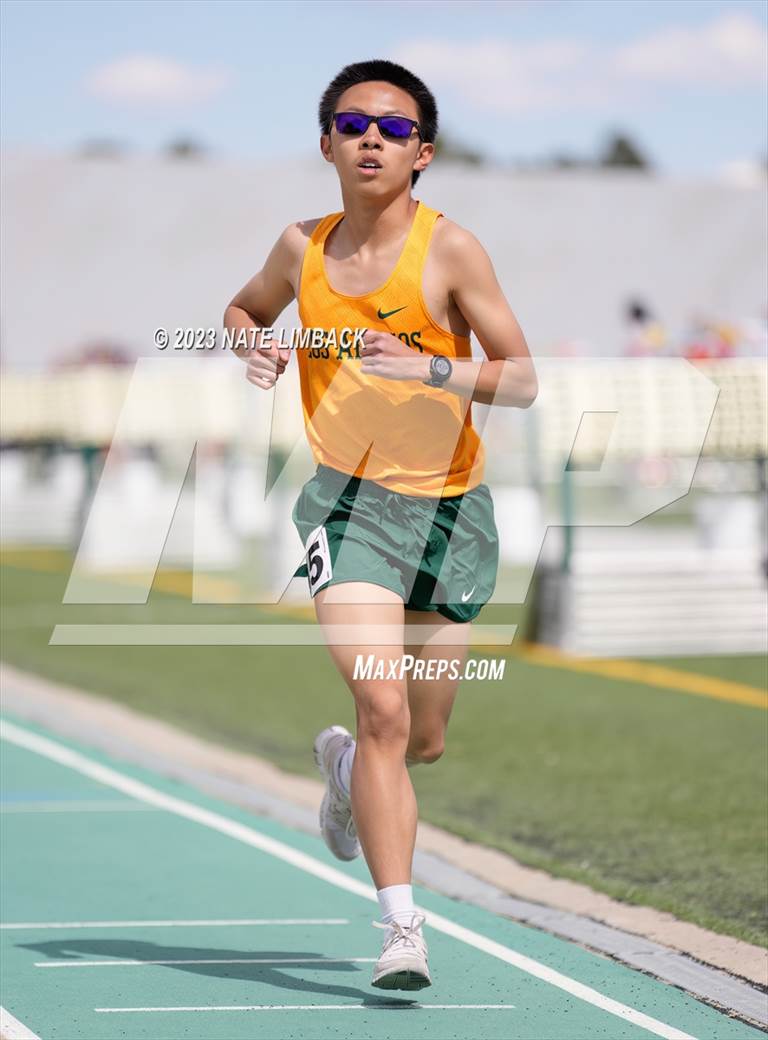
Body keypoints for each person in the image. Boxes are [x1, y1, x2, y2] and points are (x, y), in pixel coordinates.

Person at [224, 59, 537, 992]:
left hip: (451, 512)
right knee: (386, 705)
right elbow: (244, 309)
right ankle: (404, 928)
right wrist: (256, 345)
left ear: (423, 154)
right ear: (325, 144)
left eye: (394, 128)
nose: (372, 137)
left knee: (423, 738)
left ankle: (347, 768)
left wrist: (430, 369)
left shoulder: (452, 252)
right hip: (349, 505)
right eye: (352, 123)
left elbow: (521, 377)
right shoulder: (299, 247)